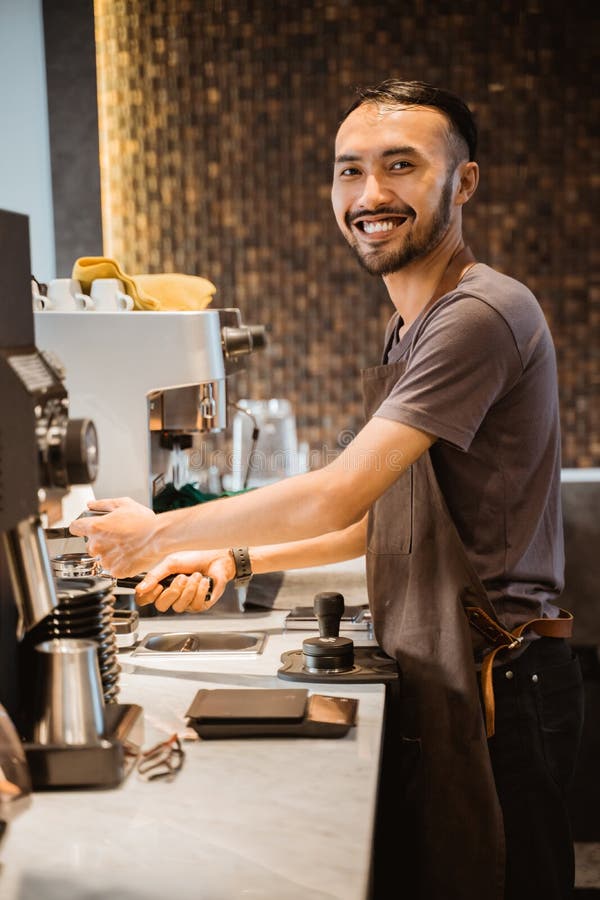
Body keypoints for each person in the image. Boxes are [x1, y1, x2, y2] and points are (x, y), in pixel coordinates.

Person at [71, 80, 583, 900]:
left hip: (502, 684)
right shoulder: (411, 325)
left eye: (401, 167)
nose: (370, 195)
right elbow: (378, 523)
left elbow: (340, 494)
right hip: (458, 666)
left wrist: (157, 534)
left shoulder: (476, 316)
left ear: (465, 181)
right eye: (350, 172)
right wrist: (230, 558)